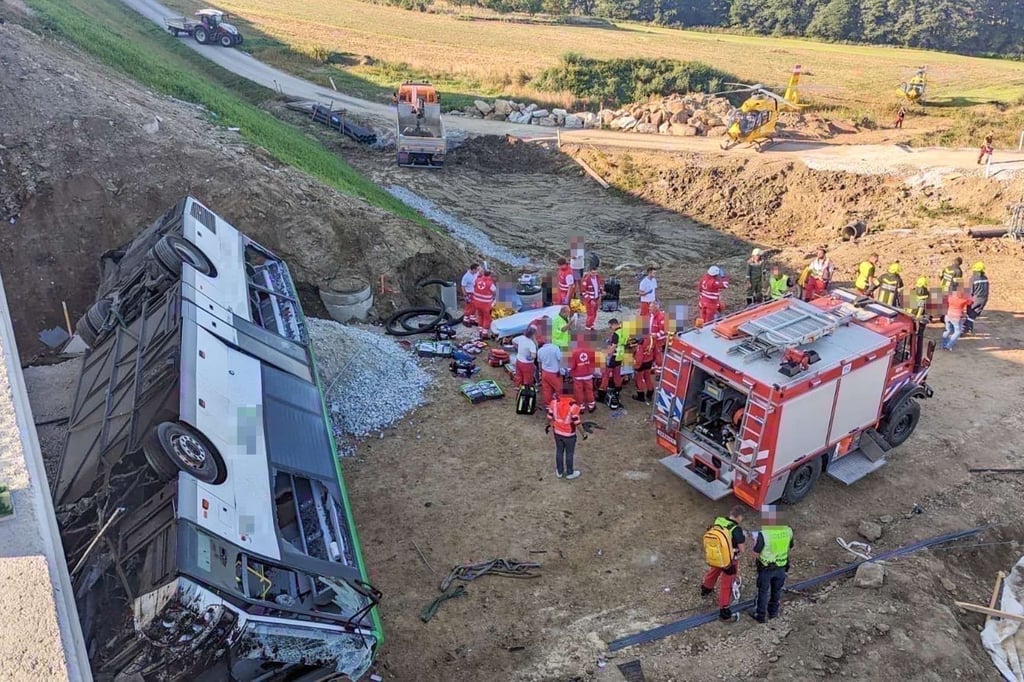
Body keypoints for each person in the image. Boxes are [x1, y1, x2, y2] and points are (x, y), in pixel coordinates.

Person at [701, 506, 747, 622]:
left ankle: (706, 588)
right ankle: (724, 609)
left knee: (714, 571)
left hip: (717, 554)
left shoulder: (719, 520)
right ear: (739, 517)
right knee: (727, 583)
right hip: (729, 560)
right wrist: (742, 537)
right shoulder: (736, 529)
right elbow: (742, 549)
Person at [750, 525, 794, 624]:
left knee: (763, 592)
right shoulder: (788, 531)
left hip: (766, 569)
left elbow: (756, 553)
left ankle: (760, 615)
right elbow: (790, 545)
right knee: (776, 590)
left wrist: (755, 542)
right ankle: (773, 613)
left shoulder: (764, 534)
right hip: (781, 567)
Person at [546, 392, 582, 480]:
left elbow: (549, 417)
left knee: (559, 451)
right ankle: (570, 473)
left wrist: (547, 425)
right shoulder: (574, 407)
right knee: (569, 454)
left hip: (557, 432)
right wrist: (583, 433)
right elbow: (577, 422)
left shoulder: (554, 403)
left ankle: (559, 471)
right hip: (569, 435)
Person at [598, 318, 626, 406]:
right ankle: (617, 392)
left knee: (606, 376)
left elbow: (613, 347)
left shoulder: (615, 334)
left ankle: (601, 395)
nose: (610, 328)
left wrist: (606, 353)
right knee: (617, 375)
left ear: (614, 324)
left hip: (613, 357)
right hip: (620, 356)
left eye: (610, 326)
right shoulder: (623, 331)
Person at [569, 333, 597, 413]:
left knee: (579, 391)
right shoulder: (591, 350)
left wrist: (571, 372)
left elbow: (572, 365)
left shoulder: (574, 352)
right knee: (589, 390)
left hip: (577, 375)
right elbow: (594, 363)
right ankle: (591, 405)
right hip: (588, 374)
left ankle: (581, 406)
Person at [537, 340, 564, 408]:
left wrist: (540, 372)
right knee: (558, 389)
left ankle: (548, 405)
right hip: (555, 373)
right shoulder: (555, 348)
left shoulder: (540, 350)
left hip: (545, 373)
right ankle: (558, 405)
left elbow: (539, 363)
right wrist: (563, 370)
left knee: (547, 390)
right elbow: (560, 359)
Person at [963, 262, 989, 335]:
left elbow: (970, 291)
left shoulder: (973, 279)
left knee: (970, 313)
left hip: (975, 299)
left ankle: (965, 327)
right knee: (974, 314)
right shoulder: (985, 278)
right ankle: (969, 328)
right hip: (984, 299)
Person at [631, 331, 655, 404]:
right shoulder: (651, 338)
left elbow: (639, 356)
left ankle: (641, 396)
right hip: (649, 361)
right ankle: (650, 394)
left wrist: (636, 366)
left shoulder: (641, 342)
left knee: (639, 379)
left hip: (642, 363)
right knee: (648, 377)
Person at [472, 269, 496, 338]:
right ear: (490, 275)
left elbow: (474, 286)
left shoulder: (477, 280)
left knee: (480, 316)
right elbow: (495, 291)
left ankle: (480, 330)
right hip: (486, 304)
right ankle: (484, 334)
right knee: (487, 318)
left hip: (477, 302)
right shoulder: (490, 283)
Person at [648, 300, 668, 370]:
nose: (649, 308)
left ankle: (659, 368)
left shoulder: (661, 317)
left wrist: (656, 335)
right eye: (649, 307)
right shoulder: (651, 315)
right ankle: (654, 366)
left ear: (656, 308)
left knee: (658, 354)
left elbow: (663, 330)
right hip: (652, 339)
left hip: (659, 340)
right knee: (652, 353)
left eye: (651, 307)